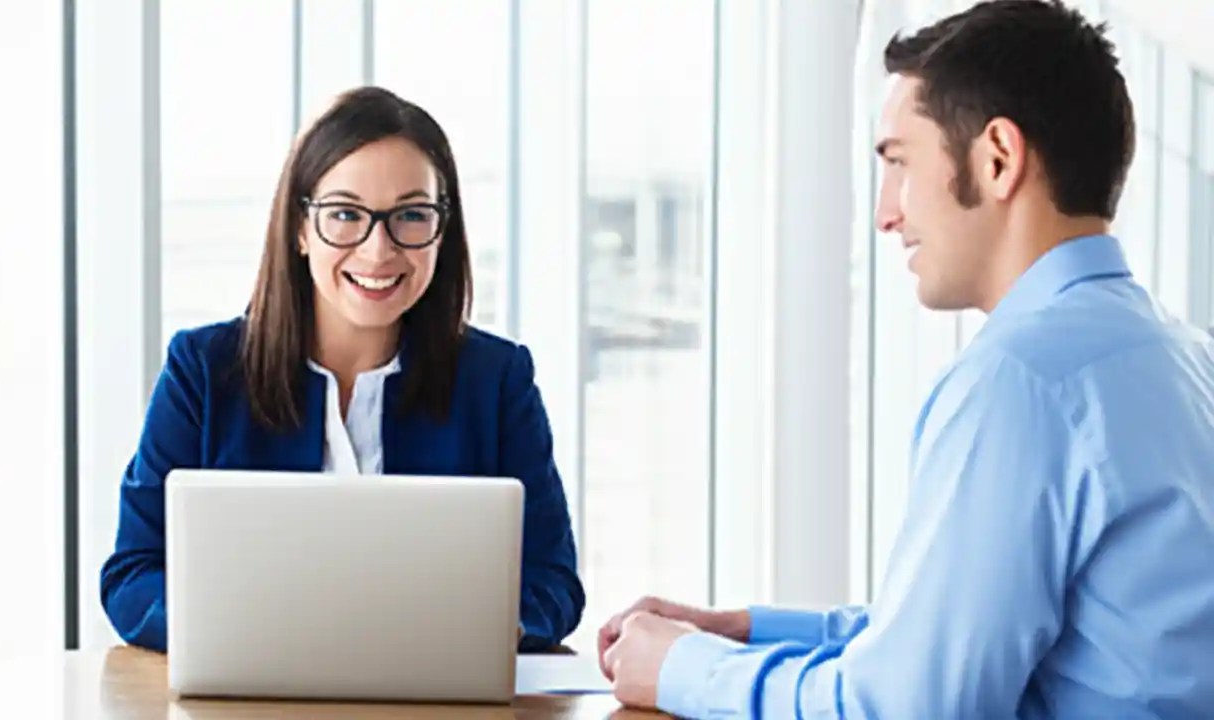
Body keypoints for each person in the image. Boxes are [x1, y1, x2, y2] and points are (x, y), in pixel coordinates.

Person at [597, 1, 1214, 717]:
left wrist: (683, 671)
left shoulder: (1022, 381)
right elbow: (989, 635)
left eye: (899, 162)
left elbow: (905, 706)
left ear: (997, 159)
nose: (887, 211)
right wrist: (744, 630)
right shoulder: (1185, 358)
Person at [100, 86, 584, 654]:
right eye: (346, 215)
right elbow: (132, 577)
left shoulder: (497, 380)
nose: (378, 251)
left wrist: (472, 634)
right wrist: (245, 632)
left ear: (442, 229)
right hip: (255, 692)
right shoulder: (203, 373)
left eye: (410, 215)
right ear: (300, 229)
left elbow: (553, 584)